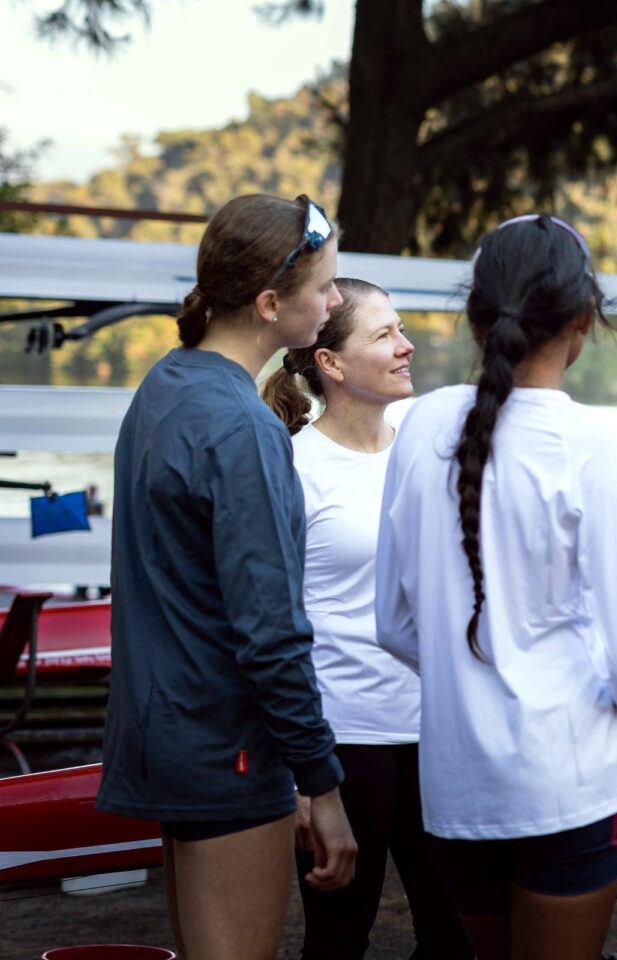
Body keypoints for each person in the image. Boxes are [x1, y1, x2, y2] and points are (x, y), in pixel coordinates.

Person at [374, 215, 617, 960]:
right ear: (582, 317)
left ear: (476, 314)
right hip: (571, 775)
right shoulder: (597, 447)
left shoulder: (421, 425)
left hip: (459, 779)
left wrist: (465, 678)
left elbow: (392, 624)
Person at [97, 194, 358, 960]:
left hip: (172, 737)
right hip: (226, 752)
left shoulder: (165, 385)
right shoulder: (242, 427)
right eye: (326, 286)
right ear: (271, 304)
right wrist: (324, 784)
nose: (336, 300)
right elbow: (272, 635)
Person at [261, 279, 473, 960]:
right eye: (383, 335)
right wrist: (300, 777)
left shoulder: (427, 442)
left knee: (457, 935)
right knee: (338, 938)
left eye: (401, 328)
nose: (406, 345)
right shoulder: (295, 467)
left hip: (439, 730)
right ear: (331, 363)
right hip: (344, 741)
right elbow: (271, 623)